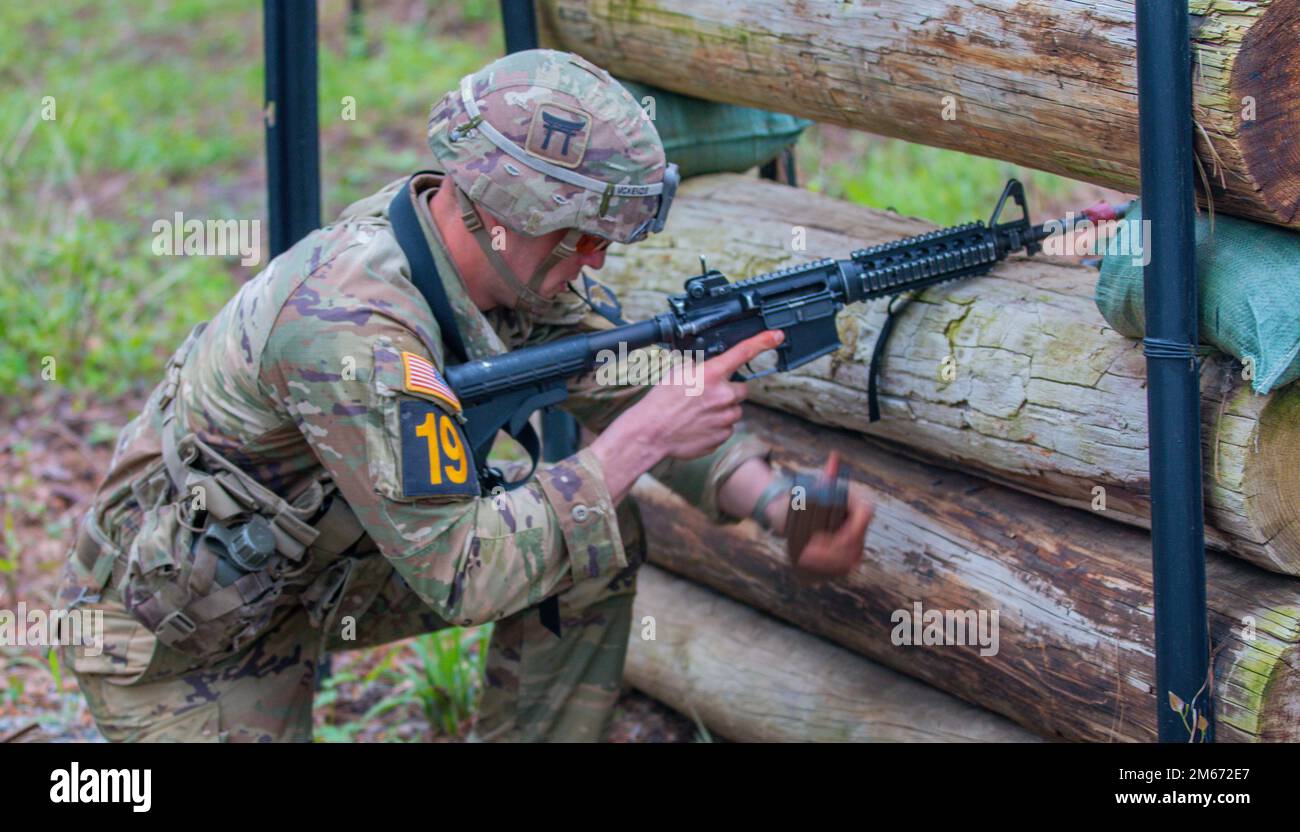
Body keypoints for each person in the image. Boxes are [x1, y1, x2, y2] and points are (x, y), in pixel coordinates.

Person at [57, 48, 874, 742]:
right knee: (588, 500)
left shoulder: (504, 267)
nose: (592, 260)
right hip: (179, 634)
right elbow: (467, 574)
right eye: (581, 234)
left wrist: (780, 506)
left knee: (598, 534)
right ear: (507, 213)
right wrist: (640, 444)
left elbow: (625, 392)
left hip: (317, 572)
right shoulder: (348, 324)